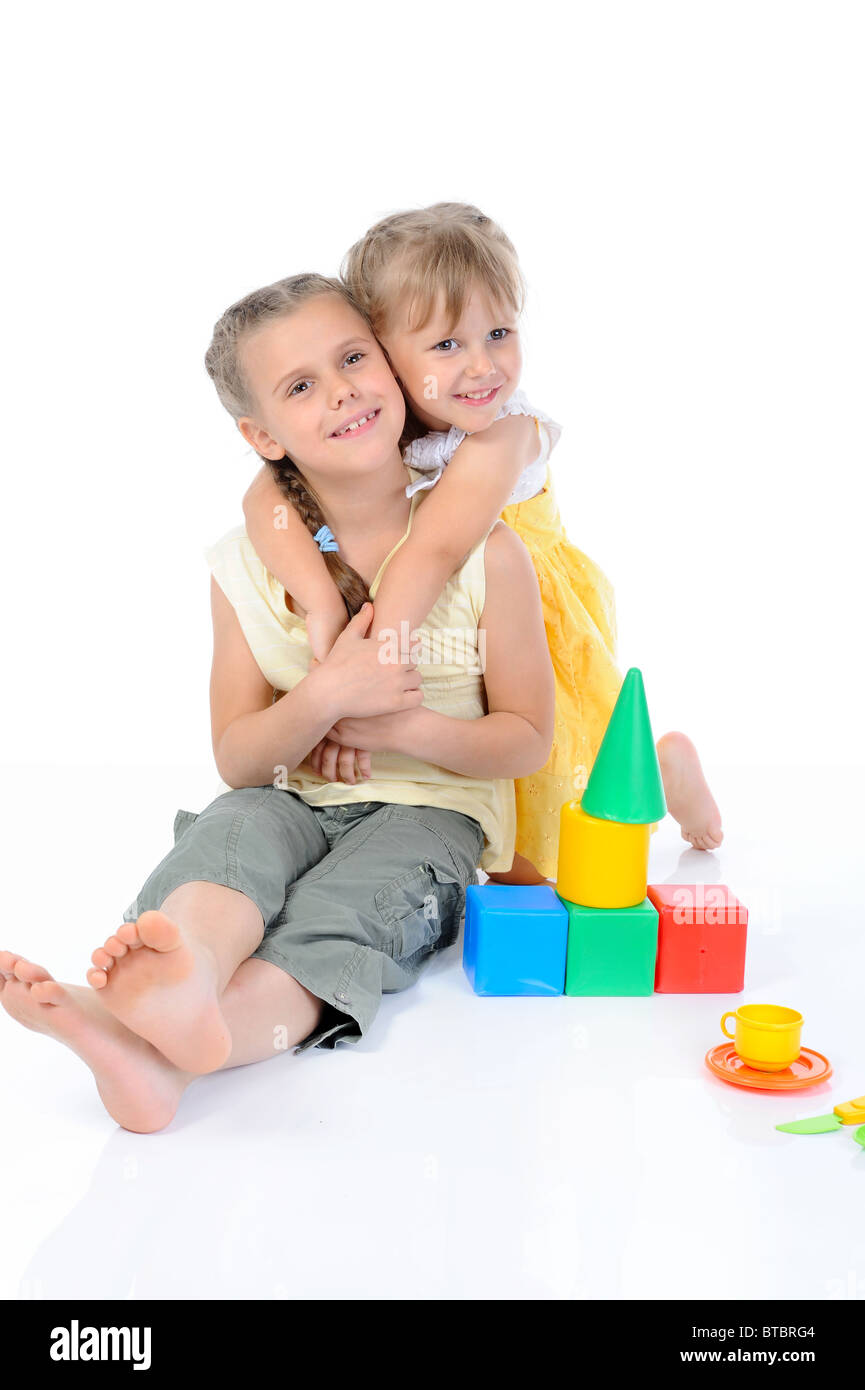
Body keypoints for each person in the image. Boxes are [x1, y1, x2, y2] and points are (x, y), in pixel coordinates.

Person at [0, 273, 554, 1134]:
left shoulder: (488, 552)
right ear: (260, 434)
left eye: (353, 359)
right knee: (235, 830)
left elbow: (526, 742)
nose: (340, 391)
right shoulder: (242, 566)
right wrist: (325, 696)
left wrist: (403, 726)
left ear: (394, 368)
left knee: (342, 916)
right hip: (292, 795)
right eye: (301, 386)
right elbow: (240, 759)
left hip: (433, 814)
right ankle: (186, 978)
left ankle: (163, 1046)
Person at [242, 205, 724, 882]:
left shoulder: (505, 433)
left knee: (556, 799)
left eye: (499, 332)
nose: (482, 365)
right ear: (383, 352)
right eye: (446, 345)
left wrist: (364, 676)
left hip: (522, 604)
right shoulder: (384, 418)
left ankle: (660, 769)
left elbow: (435, 548)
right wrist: (321, 605)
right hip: (435, 611)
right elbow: (267, 496)